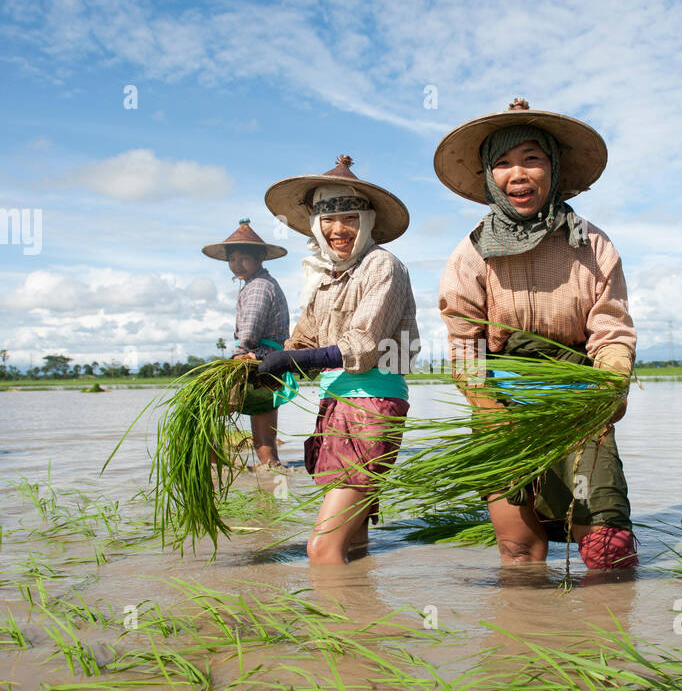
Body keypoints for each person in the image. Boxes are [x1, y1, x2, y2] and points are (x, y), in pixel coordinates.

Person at [436, 98, 638, 572]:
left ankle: (604, 640)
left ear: (553, 167)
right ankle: (524, 641)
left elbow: (611, 330)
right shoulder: (471, 253)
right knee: (519, 551)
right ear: (489, 176)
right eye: (502, 163)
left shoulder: (592, 244)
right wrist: (490, 410)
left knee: (607, 546)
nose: (518, 174)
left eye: (531, 159)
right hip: (501, 406)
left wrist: (609, 390)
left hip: (577, 405)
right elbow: (465, 344)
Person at [258, 155, 418, 563]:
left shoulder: (382, 266)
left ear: (366, 221)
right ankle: (358, 618)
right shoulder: (325, 277)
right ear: (315, 225)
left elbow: (362, 346)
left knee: (321, 546)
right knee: (353, 541)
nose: (337, 229)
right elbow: (304, 338)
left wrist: (296, 362)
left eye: (348, 217)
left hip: (371, 404)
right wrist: (268, 361)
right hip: (334, 402)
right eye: (327, 220)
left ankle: (327, 624)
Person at [201, 219, 290, 469]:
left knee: (203, 409)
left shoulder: (258, 287)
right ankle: (271, 474)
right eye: (232, 259)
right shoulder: (260, 283)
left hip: (256, 362)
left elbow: (249, 332)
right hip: (271, 365)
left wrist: (235, 359)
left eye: (243, 259)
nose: (236, 264)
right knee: (264, 431)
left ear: (259, 258)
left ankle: (219, 466)